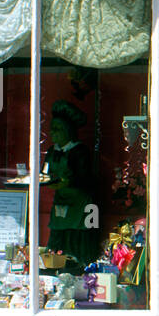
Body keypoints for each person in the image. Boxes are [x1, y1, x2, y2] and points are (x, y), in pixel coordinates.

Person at [44, 100, 97, 271]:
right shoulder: (52, 151)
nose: (53, 133)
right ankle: (55, 267)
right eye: (52, 129)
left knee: (77, 234)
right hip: (61, 199)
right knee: (59, 230)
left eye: (57, 129)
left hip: (81, 203)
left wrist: (69, 182)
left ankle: (77, 268)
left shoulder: (80, 151)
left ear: (68, 131)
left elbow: (86, 177)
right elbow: (45, 172)